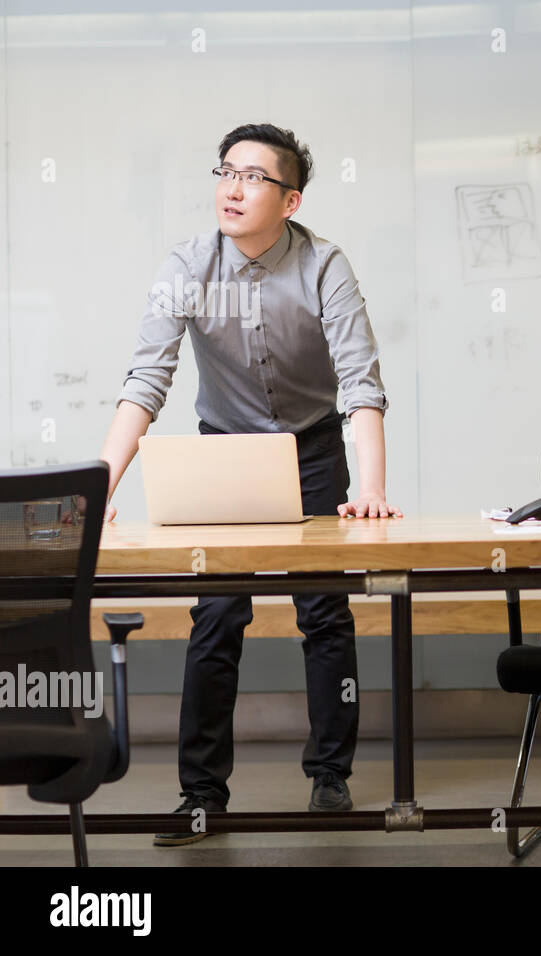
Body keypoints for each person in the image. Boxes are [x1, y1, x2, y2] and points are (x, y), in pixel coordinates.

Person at [98, 123, 401, 846]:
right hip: (226, 454)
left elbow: (361, 383)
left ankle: (330, 776)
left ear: (290, 199)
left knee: (325, 615)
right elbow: (147, 382)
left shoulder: (325, 264)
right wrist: (99, 488)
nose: (232, 188)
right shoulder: (187, 264)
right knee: (217, 618)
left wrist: (372, 487)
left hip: (314, 449)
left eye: (254, 177)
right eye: (225, 172)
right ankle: (201, 794)